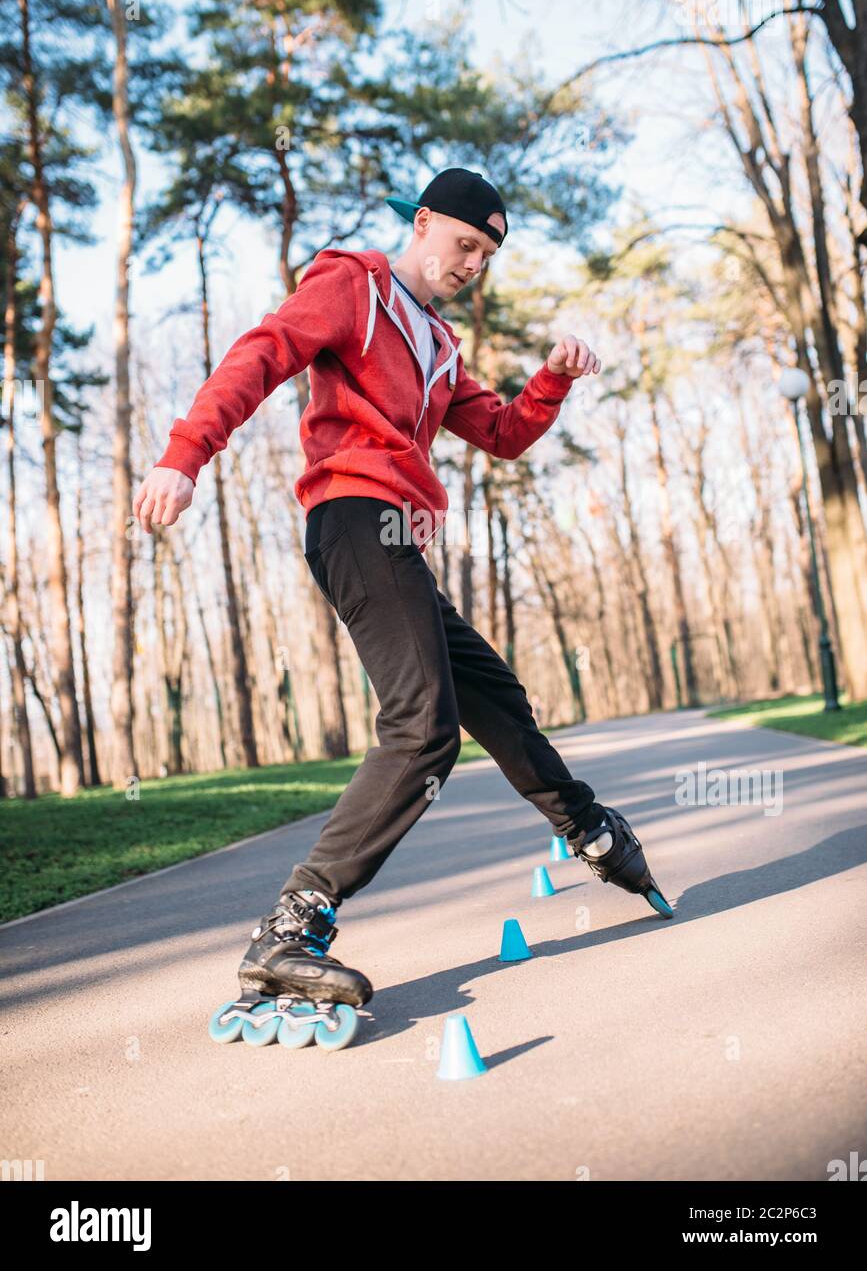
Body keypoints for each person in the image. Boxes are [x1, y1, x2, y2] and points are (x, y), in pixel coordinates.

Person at [134, 167, 671, 1039]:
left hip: (398, 541)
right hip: (352, 517)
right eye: (464, 244)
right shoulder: (353, 285)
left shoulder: (439, 343)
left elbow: (500, 435)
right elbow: (262, 353)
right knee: (422, 727)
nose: (473, 265)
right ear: (421, 224)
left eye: (488, 256)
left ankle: (589, 827)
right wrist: (184, 454)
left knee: (493, 695)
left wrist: (550, 380)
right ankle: (291, 926)